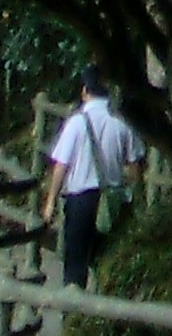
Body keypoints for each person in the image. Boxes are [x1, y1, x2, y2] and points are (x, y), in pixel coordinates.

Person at [39, 65, 146, 288]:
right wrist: (136, 197)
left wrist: (50, 202)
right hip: (112, 200)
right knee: (108, 257)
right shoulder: (122, 122)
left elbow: (61, 166)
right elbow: (135, 164)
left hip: (80, 200)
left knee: (76, 260)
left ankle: (73, 311)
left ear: (85, 91)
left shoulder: (77, 123)